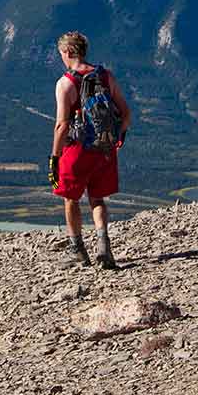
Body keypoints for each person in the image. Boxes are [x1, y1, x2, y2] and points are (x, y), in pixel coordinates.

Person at [49, 31, 131, 269]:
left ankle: (79, 251)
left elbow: (62, 125)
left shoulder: (66, 83)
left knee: (70, 200)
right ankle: (104, 247)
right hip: (105, 149)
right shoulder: (106, 76)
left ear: (67, 52)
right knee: (98, 199)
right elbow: (126, 114)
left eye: (61, 54)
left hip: (77, 151)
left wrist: (55, 157)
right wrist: (117, 138)